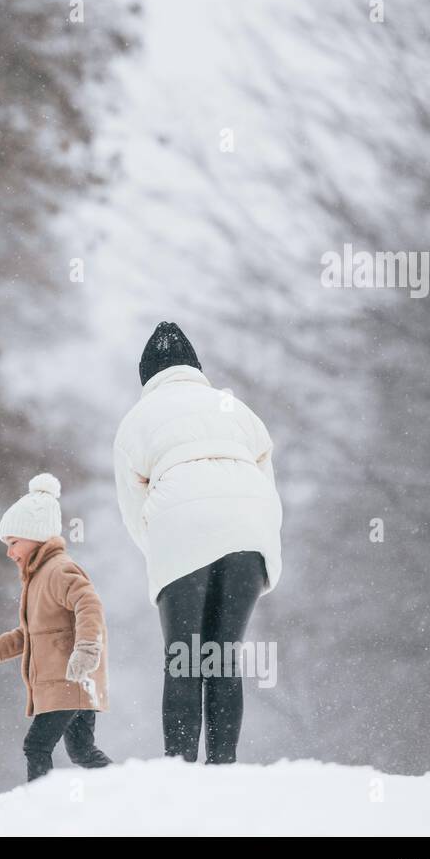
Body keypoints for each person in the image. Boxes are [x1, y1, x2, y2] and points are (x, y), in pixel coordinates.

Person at [113, 321, 282, 764]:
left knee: (184, 657)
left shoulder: (137, 420)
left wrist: (167, 556)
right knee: (223, 656)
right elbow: (267, 486)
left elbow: (135, 511)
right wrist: (262, 545)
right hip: (250, 530)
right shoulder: (235, 407)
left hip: (179, 528)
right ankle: (223, 768)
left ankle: (180, 771)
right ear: (196, 368)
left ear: (146, 377)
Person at [0, 474, 112, 782]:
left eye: (14, 542)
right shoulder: (38, 578)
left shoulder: (58, 570)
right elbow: (29, 637)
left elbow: (89, 605)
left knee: (37, 745)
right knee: (81, 751)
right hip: (69, 682)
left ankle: (40, 810)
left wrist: (87, 649)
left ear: (36, 536)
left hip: (69, 679)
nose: (9, 552)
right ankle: (128, 792)